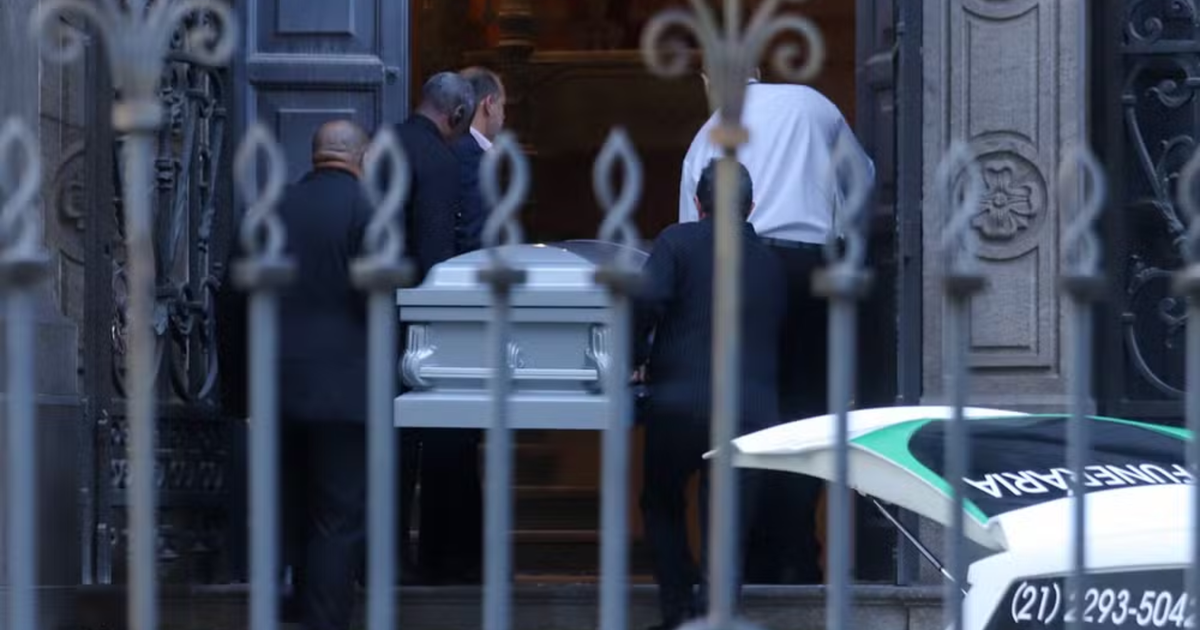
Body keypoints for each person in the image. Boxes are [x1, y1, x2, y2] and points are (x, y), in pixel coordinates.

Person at [678, 71, 874, 584]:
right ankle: (796, 555)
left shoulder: (706, 135)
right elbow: (863, 181)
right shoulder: (813, 103)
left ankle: (747, 558)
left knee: (744, 415)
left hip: (739, 270)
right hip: (811, 269)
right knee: (809, 413)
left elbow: (692, 230)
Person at [635, 159, 787, 630]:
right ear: (751, 207)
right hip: (750, 412)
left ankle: (678, 610)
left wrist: (633, 359)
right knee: (728, 523)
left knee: (660, 502)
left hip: (680, 402)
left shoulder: (677, 241)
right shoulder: (772, 261)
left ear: (698, 204)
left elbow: (646, 302)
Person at [275, 119, 374, 630]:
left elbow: (232, 294)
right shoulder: (365, 209)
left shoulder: (272, 208)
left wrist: (239, 392)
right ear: (361, 158)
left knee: (288, 503)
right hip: (346, 387)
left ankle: (289, 606)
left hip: (278, 384)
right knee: (336, 516)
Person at [394, 71, 480, 585]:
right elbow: (435, 256)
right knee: (413, 443)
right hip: (413, 327)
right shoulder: (441, 159)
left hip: (369, 313)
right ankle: (413, 561)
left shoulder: (384, 142)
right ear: (457, 116)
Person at [453, 66, 506, 253]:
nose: (504, 116)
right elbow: (474, 232)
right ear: (489, 104)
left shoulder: (453, 144)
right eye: (502, 106)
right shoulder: (470, 155)